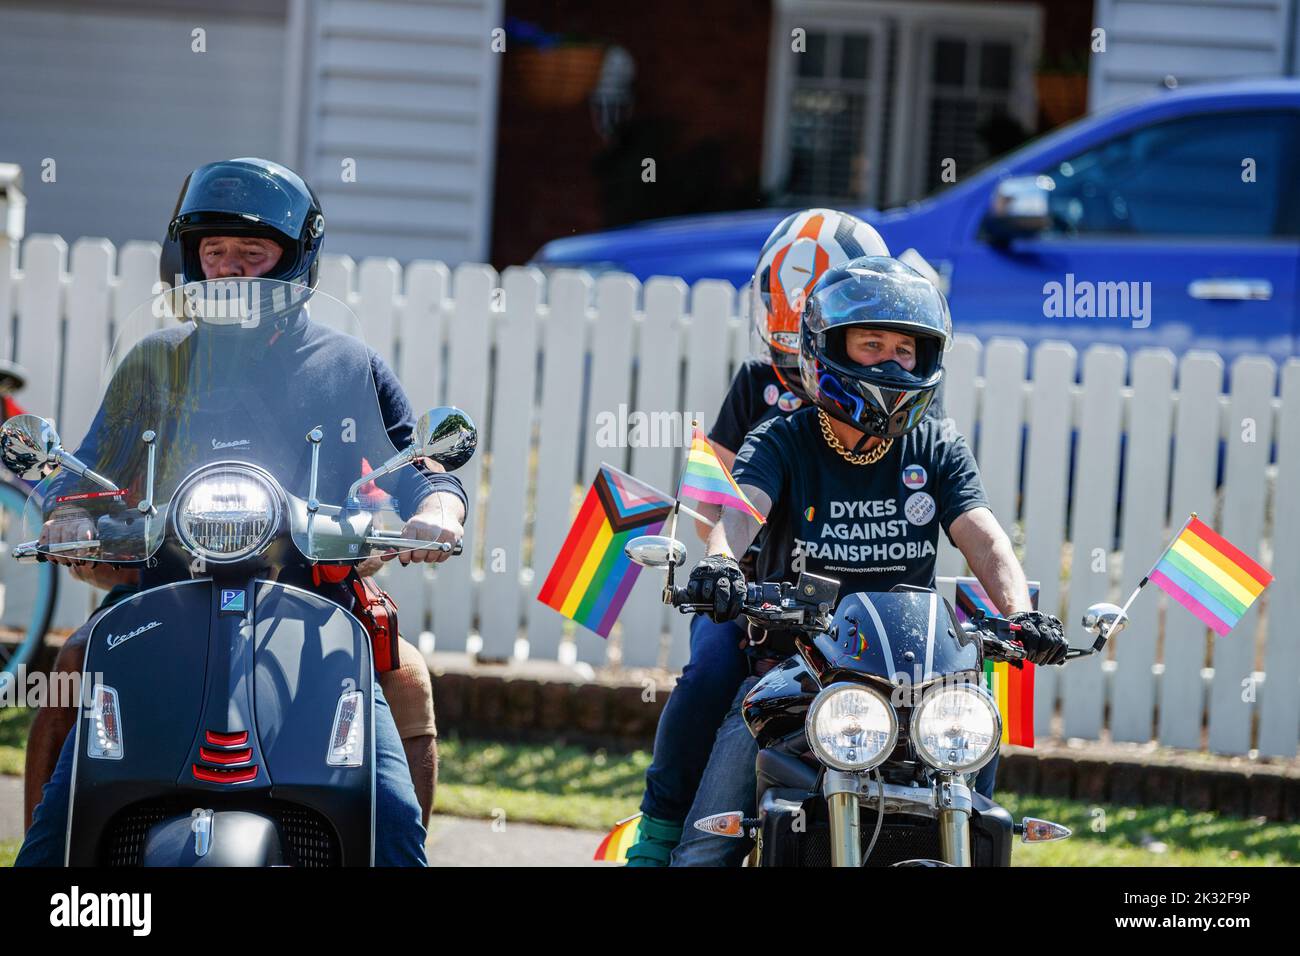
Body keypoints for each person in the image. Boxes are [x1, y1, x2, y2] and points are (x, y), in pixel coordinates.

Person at [16, 158, 461, 866]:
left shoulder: (349, 364)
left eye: (252, 253)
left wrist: (437, 503)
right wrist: (68, 512)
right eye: (213, 252)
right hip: (161, 592)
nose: (228, 269)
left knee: (403, 695)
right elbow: (89, 470)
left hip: (314, 599)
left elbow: (416, 462)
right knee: (72, 666)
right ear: (188, 259)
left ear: (296, 259)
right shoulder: (154, 362)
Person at [668, 256, 1068, 866]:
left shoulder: (935, 445)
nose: (889, 362)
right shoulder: (783, 439)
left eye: (905, 349)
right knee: (707, 845)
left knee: (985, 815)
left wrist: (1021, 615)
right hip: (795, 676)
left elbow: (985, 538)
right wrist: (722, 562)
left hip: (923, 688)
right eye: (871, 343)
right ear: (827, 348)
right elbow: (738, 513)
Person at [626, 209, 890, 865]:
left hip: (847, 599)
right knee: (710, 672)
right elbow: (707, 489)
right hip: (750, 590)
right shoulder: (756, 385)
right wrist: (723, 563)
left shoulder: (891, 395)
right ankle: (659, 831)